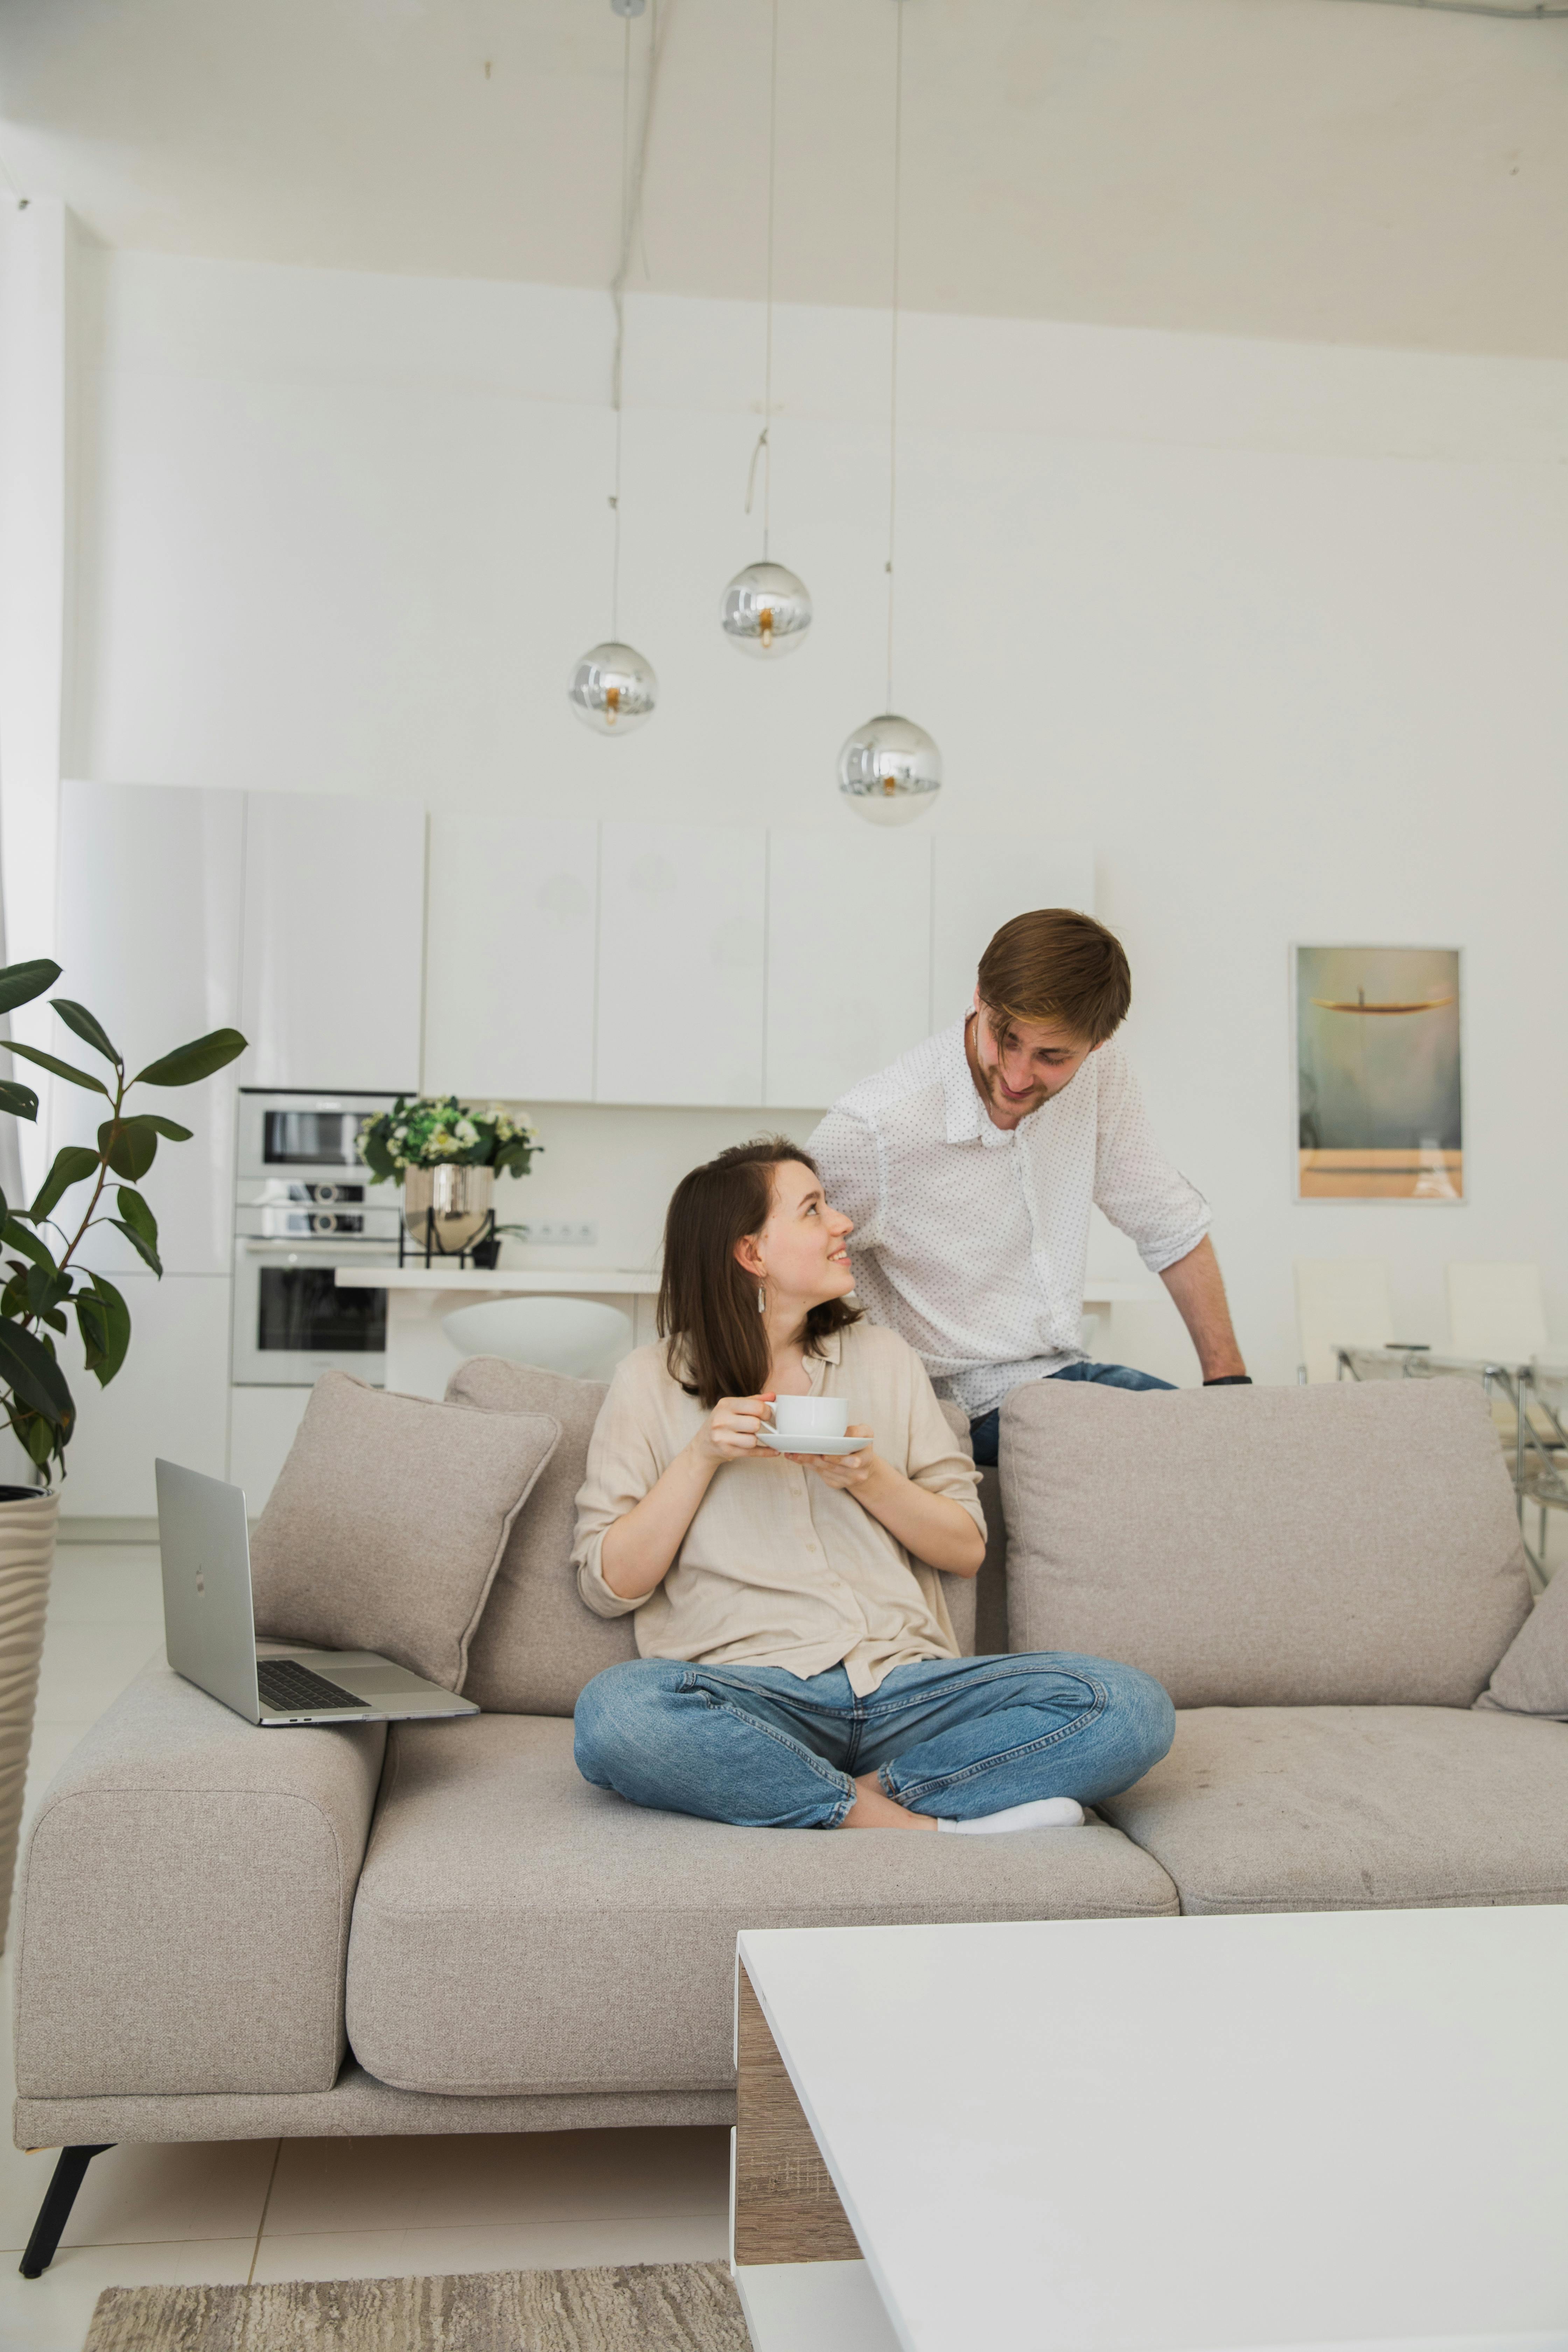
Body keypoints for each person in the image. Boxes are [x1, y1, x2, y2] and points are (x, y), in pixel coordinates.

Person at [571, 1139, 1174, 1834]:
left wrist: (867, 1475)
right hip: (754, 1696)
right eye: (812, 1210)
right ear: (751, 1254)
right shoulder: (648, 1381)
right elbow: (608, 1585)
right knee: (615, 1713)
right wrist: (701, 1454)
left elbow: (964, 1549)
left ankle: (835, 1795)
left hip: (905, 1689)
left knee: (1127, 1704)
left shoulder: (886, 1362)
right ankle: (912, 1825)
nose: (842, 1224)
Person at [807, 908, 1248, 1468]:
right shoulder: (875, 1128)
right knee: (1202, 1458)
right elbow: (772, 1260)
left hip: (1056, 1380)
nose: (1017, 1077)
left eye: (1052, 1057)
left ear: (1098, 1046)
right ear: (978, 997)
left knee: (1240, 1447)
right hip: (954, 1406)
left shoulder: (1101, 1077)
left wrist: (1232, 1390)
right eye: (1005, 1038)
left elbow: (1169, 1226)